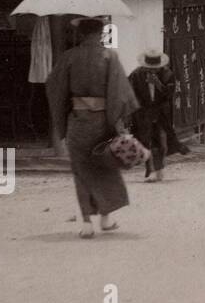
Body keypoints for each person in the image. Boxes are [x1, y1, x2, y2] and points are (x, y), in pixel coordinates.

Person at [46, 17, 138, 238]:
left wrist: (64, 116)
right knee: (106, 167)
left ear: (80, 34)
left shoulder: (69, 57)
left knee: (82, 170)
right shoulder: (109, 57)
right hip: (102, 121)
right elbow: (120, 93)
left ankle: (87, 223)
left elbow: (55, 88)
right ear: (101, 34)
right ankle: (106, 220)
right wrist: (116, 121)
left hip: (77, 121)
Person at [129, 49, 177, 182]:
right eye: (149, 68)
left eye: (155, 69)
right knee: (145, 140)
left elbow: (170, 94)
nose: (152, 71)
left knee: (160, 141)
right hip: (143, 112)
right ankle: (149, 169)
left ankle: (159, 169)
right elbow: (130, 93)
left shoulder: (167, 74)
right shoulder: (136, 74)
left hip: (161, 111)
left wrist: (158, 84)